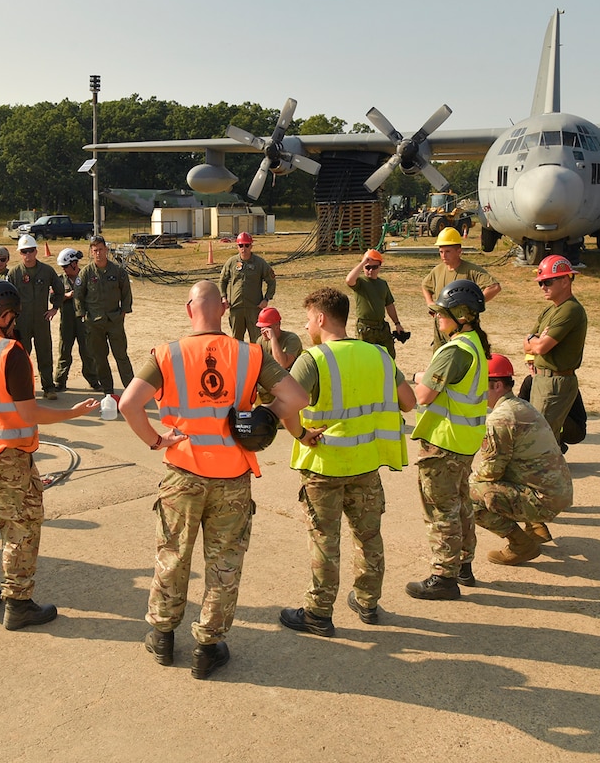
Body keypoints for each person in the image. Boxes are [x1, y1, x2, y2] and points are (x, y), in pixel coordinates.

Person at [119, 281, 309, 679]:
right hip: (232, 476)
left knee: (173, 555)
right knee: (224, 564)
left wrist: (157, 440)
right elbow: (296, 397)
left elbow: (128, 404)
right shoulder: (250, 355)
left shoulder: (166, 354)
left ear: (189, 309)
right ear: (223, 308)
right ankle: (207, 646)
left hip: (183, 473)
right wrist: (266, 416)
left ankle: (163, 635)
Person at [0, 280, 99, 628]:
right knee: (20, 528)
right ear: (5, 315)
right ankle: (18, 603)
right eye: (13, 316)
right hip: (7, 454)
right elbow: (28, 413)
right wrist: (72, 413)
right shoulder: (9, 352)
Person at [278, 287, 414, 637]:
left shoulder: (314, 358)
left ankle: (318, 613)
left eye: (309, 318)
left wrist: (300, 434)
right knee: (368, 536)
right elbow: (409, 402)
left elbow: (285, 406)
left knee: (325, 540)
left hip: (324, 466)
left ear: (321, 318)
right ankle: (368, 601)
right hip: (366, 465)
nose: (307, 325)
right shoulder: (380, 355)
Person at [406, 279, 491, 600]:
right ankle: (463, 564)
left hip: (443, 443)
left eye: (441, 314)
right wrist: (421, 375)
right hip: (463, 441)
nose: (436, 319)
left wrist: (416, 382)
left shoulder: (455, 349)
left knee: (441, 510)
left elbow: (424, 396)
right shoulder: (473, 345)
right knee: (460, 505)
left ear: (461, 316)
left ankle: (443, 576)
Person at [471, 354, 573, 566]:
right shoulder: (521, 406)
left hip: (543, 498)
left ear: (497, 385)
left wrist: (471, 476)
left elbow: (491, 472)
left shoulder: (500, 418)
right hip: (555, 491)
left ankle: (521, 545)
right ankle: (535, 527)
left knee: (466, 492)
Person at [523, 255, 587, 447]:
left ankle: (546, 474)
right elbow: (527, 343)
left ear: (566, 280)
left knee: (541, 438)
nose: (543, 287)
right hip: (542, 379)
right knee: (540, 434)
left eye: (548, 282)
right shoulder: (550, 310)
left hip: (556, 382)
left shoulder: (570, 310)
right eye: (541, 283)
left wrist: (535, 342)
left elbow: (541, 347)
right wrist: (534, 340)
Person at [421, 228, 501, 351]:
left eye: (448, 251)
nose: (443, 255)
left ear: (459, 251)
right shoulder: (437, 270)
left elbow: (494, 287)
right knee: (439, 355)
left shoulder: (470, 270)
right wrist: (429, 303)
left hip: (462, 325)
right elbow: (425, 286)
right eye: (441, 251)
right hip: (441, 324)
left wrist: (473, 304)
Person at [74, 235, 134, 395]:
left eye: (101, 249)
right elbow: (78, 295)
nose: (98, 253)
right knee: (100, 359)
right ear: (91, 252)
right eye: (95, 250)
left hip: (114, 320)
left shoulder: (118, 271)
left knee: (121, 356)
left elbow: (126, 292)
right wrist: (82, 314)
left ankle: (132, 391)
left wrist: (124, 311)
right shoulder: (86, 273)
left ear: (106, 250)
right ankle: (108, 391)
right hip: (94, 323)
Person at [7, 235, 63, 399]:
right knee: (22, 357)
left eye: (31, 251)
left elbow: (59, 289)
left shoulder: (46, 271)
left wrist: (55, 308)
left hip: (41, 320)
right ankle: (23, 389)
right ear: (20, 253)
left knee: (45, 353)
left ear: (36, 251)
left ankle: (48, 388)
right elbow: (9, 297)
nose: (28, 254)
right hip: (21, 322)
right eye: (24, 251)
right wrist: (11, 319)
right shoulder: (14, 273)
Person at [345, 249, 405, 358]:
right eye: (367, 267)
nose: (370, 270)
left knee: (389, 357)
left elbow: (389, 305)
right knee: (365, 358)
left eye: (374, 267)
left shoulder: (383, 284)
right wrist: (363, 262)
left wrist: (397, 323)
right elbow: (349, 280)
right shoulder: (360, 282)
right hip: (365, 327)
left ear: (379, 267)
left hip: (381, 326)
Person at [218, 232, 277, 342]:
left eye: (247, 245)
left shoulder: (259, 263)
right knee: (236, 340)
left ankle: (256, 359)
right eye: (241, 246)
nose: (244, 249)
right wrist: (224, 298)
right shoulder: (231, 262)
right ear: (237, 247)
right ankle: (238, 359)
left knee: (257, 340)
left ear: (251, 246)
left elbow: (271, 281)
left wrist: (266, 299)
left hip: (254, 308)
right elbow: (222, 281)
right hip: (236, 308)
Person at [55, 247, 98, 392]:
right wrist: (67, 296)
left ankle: (93, 379)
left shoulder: (86, 277)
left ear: (74, 263)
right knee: (64, 351)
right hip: (67, 321)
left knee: (88, 351)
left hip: (84, 321)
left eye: (66, 266)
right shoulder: (60, 280)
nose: (65, 269)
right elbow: (53, 298)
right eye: (63, 267)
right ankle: (60, 381)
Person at [255, 306, 302, 405]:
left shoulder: (291, 339)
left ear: (277, 326)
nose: (262, 331)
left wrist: (273, 339)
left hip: (288, 390)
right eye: (261, 327)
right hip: (268, 390)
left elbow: (282, 364)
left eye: (266, 327)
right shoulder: (260, 341)